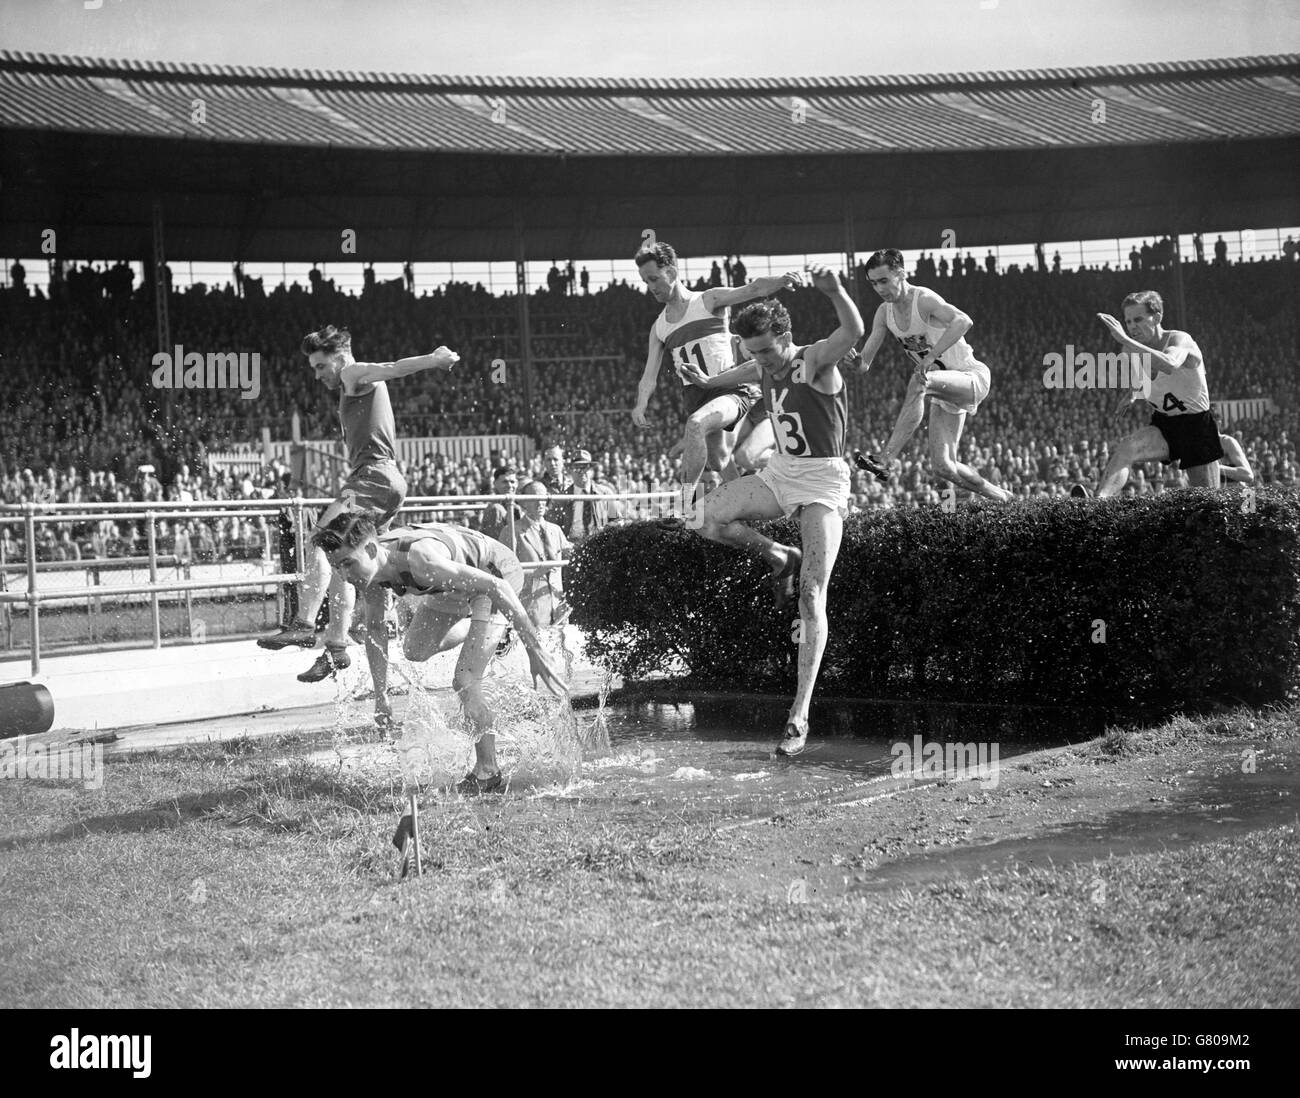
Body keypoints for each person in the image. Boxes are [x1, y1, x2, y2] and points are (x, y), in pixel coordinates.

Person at [680, 266, 863, 757]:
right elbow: (738, 373)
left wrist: (836, 290)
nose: (761, 360)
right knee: (700, 518)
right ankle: (779, 553)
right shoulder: (760, 364)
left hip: (824, 480)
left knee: (812, 596)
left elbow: (853, 333)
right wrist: (707, 379)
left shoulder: (814, 361)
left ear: (785, 337)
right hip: (781, 473)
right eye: (752, 351)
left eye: (766, 349)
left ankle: (799, 714)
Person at [256, 325, 459, 688]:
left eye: (320, 367)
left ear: (338, 358)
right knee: (353, 565)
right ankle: (337, 646)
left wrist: (434, 359)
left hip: (374, 478)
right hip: (389, 481)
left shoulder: (352, 372)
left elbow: (392, 367)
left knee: (321, 538)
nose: (317, 376)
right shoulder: (352, 380)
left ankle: (303, 624)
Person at [312, 511, 567, 793]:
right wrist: (381, 697)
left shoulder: (422, 561)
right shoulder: (370, 574)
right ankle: (491, 631)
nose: (344, 576)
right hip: (452, 587)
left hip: (495, 573)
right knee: (414, 649)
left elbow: (497, 586)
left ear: (371, 549)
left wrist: (536, 650)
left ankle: (488, 772)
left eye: (348, 564)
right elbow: (375, 630)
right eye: (337, 567)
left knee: (465, 680)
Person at [632, 241, 797, 515]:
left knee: (696, 425)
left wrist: (780, 280)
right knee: (721, 460)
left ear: (671, 273)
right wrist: (640, 403)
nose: (651, 287)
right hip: (697, 397)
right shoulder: (659, 327)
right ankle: (760, 505)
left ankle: (684, 506)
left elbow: (752, 289)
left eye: (654, 279)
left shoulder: (708, 300)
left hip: (729, 389)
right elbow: (649, 375)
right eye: (645, 281)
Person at [853, 249, 1013, 504]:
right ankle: (1004, 497)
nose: (879, 289)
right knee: (943, 466)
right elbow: (864, 365)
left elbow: (963, 321)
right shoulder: (884, 313)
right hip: (941, 389)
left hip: (970, 376)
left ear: (901, 274)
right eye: (873, 283)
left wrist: (929, 357)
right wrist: (854, 361)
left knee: (919, 382)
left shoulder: (923, 299)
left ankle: (885, 459)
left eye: (884, 280)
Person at [1074, 290, 1222, 497]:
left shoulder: (1180, 339)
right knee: (1127, 447)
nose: (1132, 326)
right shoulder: (1129, 352)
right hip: (1164, 423)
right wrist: (1133, 394)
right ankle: (1098, 502)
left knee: (1208, 500)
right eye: (1128, 322)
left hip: (1196, 426)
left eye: (1138, 319)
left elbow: (1169, 364)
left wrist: (1124, 339)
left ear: (1158, 317)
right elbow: (1144, 379)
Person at [497, 481, 573, 629]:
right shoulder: (512, 531)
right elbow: (502, 572)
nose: (540, 503)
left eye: (543, 497)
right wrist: (534, 572)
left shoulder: (555, 530)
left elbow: (571, 555)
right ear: (524, 502)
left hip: (558, 608)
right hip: (529, 610)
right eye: (534, 498)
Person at [479, 463, 522, 542]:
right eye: (505, 482)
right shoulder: (494, 509)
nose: (509, 485)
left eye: (512, 482)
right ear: (495, 484)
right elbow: (495, 543)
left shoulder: (522, 505)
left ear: (517, 484)